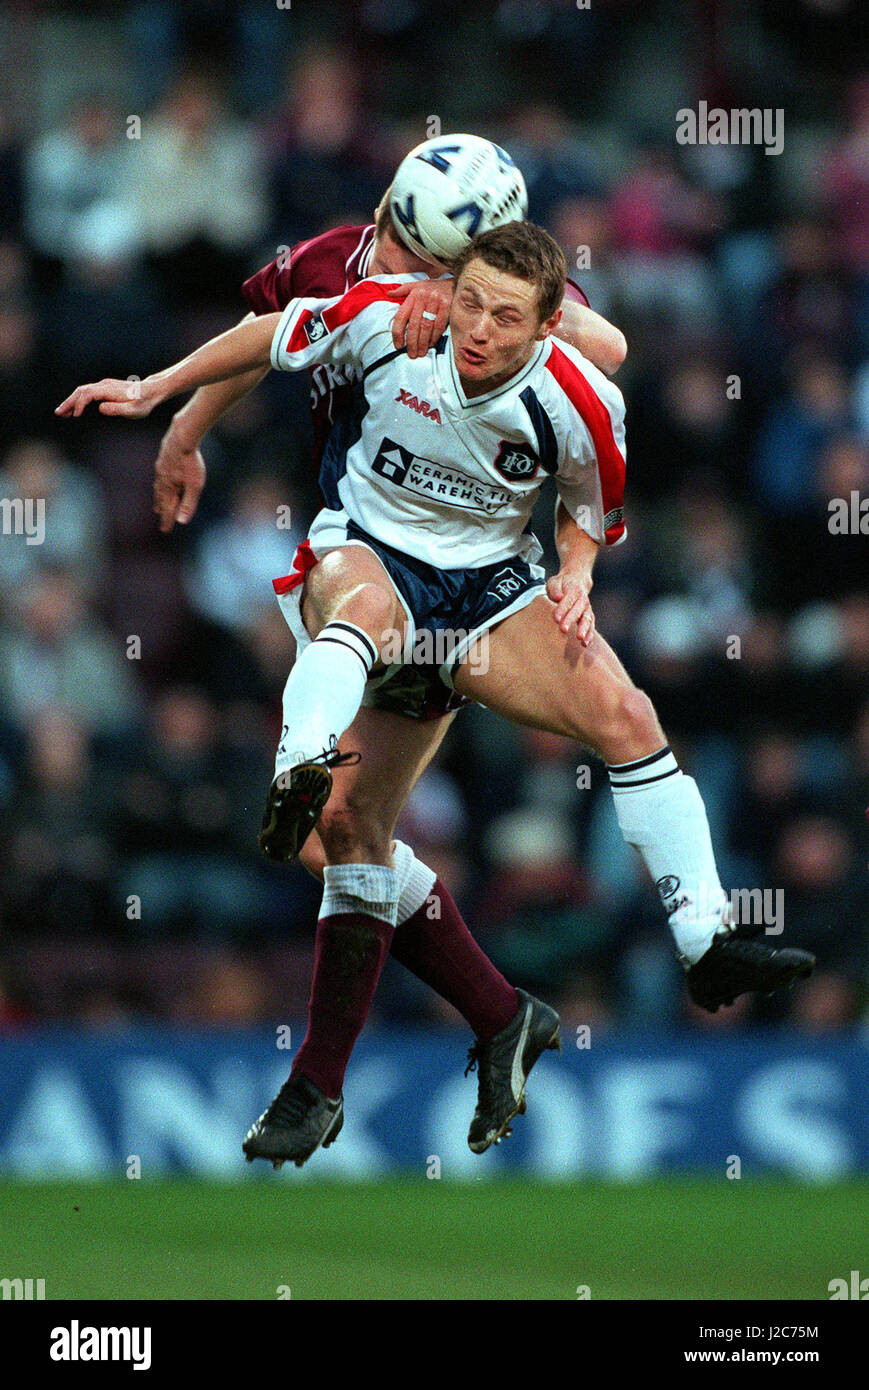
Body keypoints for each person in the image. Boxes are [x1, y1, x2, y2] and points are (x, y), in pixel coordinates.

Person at [57, 221, 815, 1170]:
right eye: (470, 302)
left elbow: (589, 506)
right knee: (357, 671)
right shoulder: (390, 319)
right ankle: (304, 784)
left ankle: (702, 943)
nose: (479, 328)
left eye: (506, 315)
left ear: (549, 327)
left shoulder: (581, 399)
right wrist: (161, 390)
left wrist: (575, 575)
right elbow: (271, 331)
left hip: (487, 594)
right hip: (366, 552)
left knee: (624, 717)